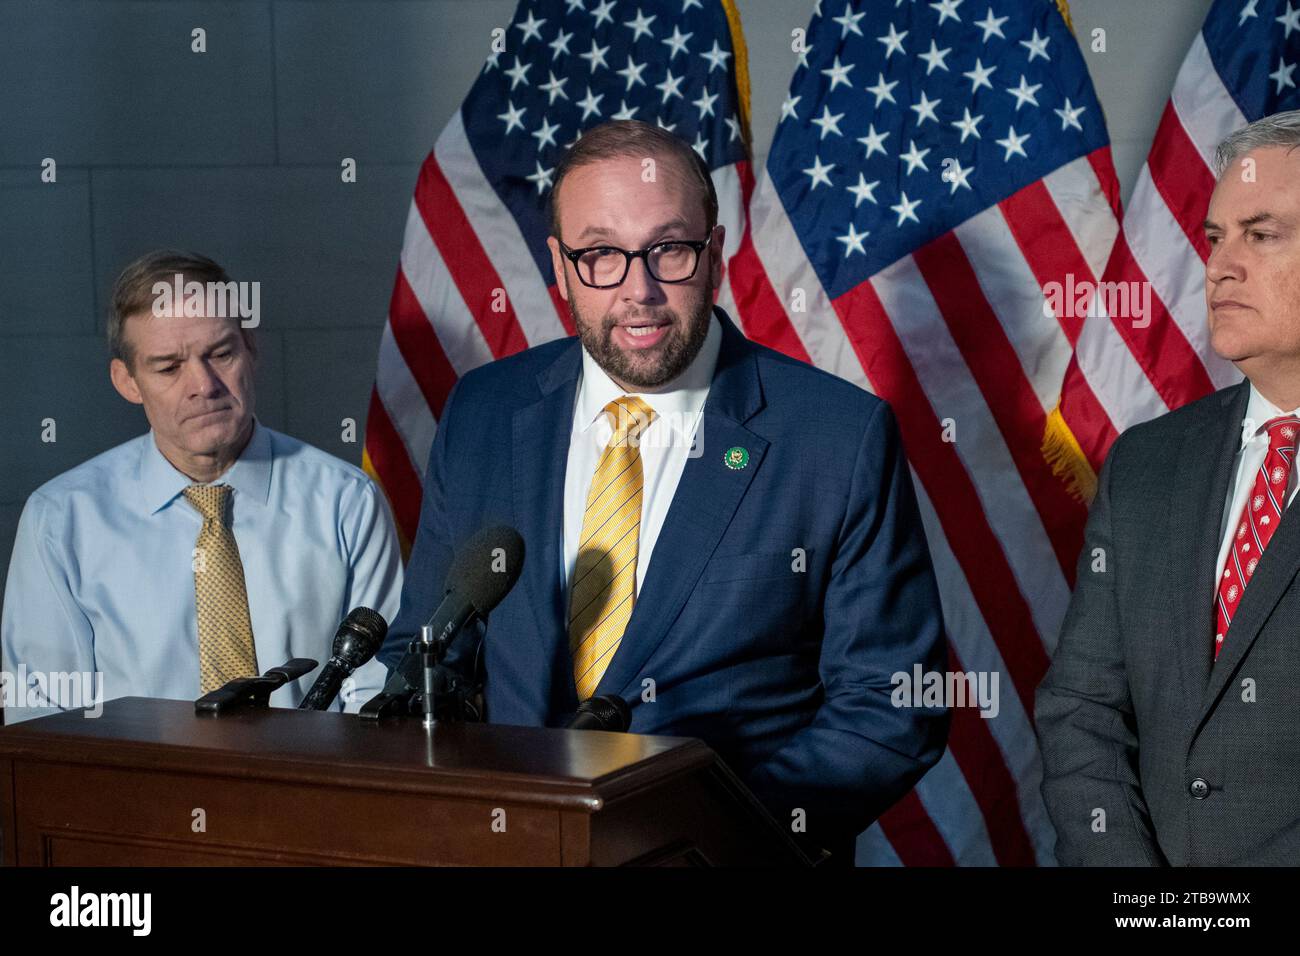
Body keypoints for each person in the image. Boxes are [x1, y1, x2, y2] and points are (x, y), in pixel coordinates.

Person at [377, 120, 948, 864]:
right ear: (560, 266)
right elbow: (425, 649)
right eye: (601, 255)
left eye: (668, 250)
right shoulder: (484, 412)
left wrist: (703, 837)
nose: (638, 291)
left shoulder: (837, 436)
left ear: (714, 256)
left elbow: (891, 707)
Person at [1037, 110, 1300, 865]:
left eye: (1262, 233)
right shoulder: (1149, 463)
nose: (1218, 265)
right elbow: (1082, 709)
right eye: (1216, 237)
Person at [1, 251, 401, 722]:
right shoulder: (61, 520)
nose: (204, 385)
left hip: (312, 791)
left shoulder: (346, 502)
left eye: (221, 354)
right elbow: (45, 724)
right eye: (169, 367)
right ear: (127, 381)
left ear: (251, 348)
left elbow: (378, 705)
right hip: (134, 793)